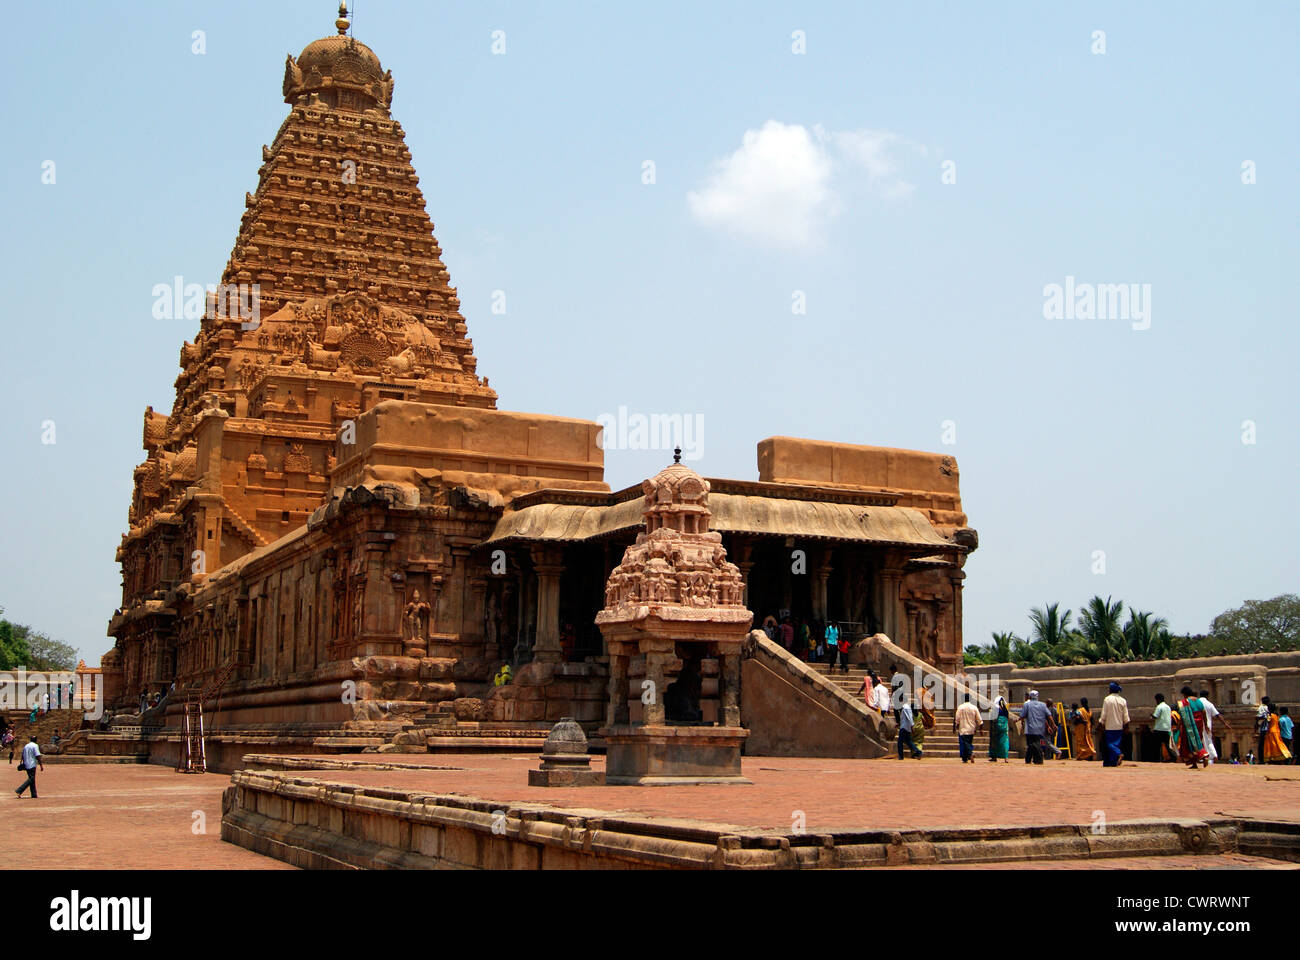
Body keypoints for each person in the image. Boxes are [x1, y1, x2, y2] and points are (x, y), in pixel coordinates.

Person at [1170, 686, 1209, 769]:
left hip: (1189, 725)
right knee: (1198, 741)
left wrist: (1178, 726)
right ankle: (1195, 763)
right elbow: (1204, 713)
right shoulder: (1198, 701)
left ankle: (1203, 756)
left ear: (1185, 694)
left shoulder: (1185, 702)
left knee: (1188, 743)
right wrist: (1206, 725)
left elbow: (1183, 716)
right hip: (1199, 724)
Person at [1098, 682, 1130, 767]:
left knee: (1110, 744)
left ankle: (1119, 754)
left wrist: (1101, 723)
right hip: (1119, 727)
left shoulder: (1107, 699)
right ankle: (1113, 762)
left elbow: (1104, 714)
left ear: (1111, 689)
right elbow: (1126, 716)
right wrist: (1126, 726)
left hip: (1110, 726)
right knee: (1116, 744)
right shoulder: (1123, 700)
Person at [1018, 690, 1053, 764]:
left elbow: (1022, 715)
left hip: (1030, 728)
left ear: (1030, 696)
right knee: (1035, 743)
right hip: (1040, 728)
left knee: (1032, 744)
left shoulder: (1027, 704)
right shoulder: (1043, 705)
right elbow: (1049, 715)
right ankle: (1030, 759)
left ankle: (1037, 759)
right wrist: (1053, 725)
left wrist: (1018, 720)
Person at [1199, 689, 1228, 764]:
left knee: (1203, 741)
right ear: (1207, 696)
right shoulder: (1209, 704)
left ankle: (1207, 757)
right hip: (1208, 725)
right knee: (1209, 741)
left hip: (1199, 724)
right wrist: (1225, 723)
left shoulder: (1197, 703)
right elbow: (1217, 715)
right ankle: (1214, 755)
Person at [896, 685, 922, 759]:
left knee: (900, 742)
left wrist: (912, 726)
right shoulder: (906, 707)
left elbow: (909, 717)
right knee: (908, 742)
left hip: (905, 727)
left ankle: (901, 756)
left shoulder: (905, 707)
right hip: (905, 726)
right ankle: (918, 752)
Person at [954, 693, 982, 763]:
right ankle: (965, 757)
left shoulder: (960, 707)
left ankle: (970, 754)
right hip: (971, 729)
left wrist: (956, 725)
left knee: (964, 743)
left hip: (963, 728)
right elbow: (979, 719)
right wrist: (980, 728)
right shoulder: (974, 707)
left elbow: (957, 718)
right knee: (969, 742)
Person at [988, 696, 1011, 762]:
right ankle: (1006, 757)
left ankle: (994, 757)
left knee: (994, 741)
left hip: (996, 726)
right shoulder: (1005, 710)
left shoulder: (995, 708)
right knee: (1004, 741)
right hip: (1004, 727)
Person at [1152, 693, 1173, 761]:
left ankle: (1157, 760)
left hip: (1159, 729)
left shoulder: (1159, 707)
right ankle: (1174, 757)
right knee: (1167, 746)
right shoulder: (1168, 707)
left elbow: (1155, 716)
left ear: (1158, 700)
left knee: (1156, 746)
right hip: (1167, 729)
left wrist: (1151, 715)